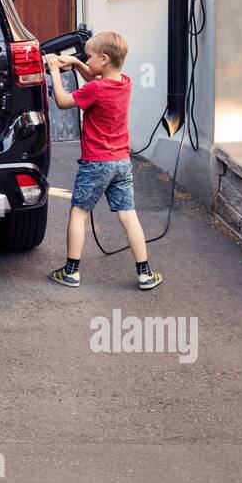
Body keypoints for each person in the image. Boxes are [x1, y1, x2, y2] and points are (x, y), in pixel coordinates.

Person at [44, 31, 163, 291]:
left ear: (105, 59)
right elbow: (94, 75)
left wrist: (54, 69)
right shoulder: (125, 82)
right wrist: (75, 63)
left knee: (79, 212)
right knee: (129, 216)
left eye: (89, 57)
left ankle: (71, 272)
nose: (87, 60)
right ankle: (145, 273)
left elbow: (64, 102)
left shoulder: (95, 89)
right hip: (121, 161)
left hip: (96, 163)